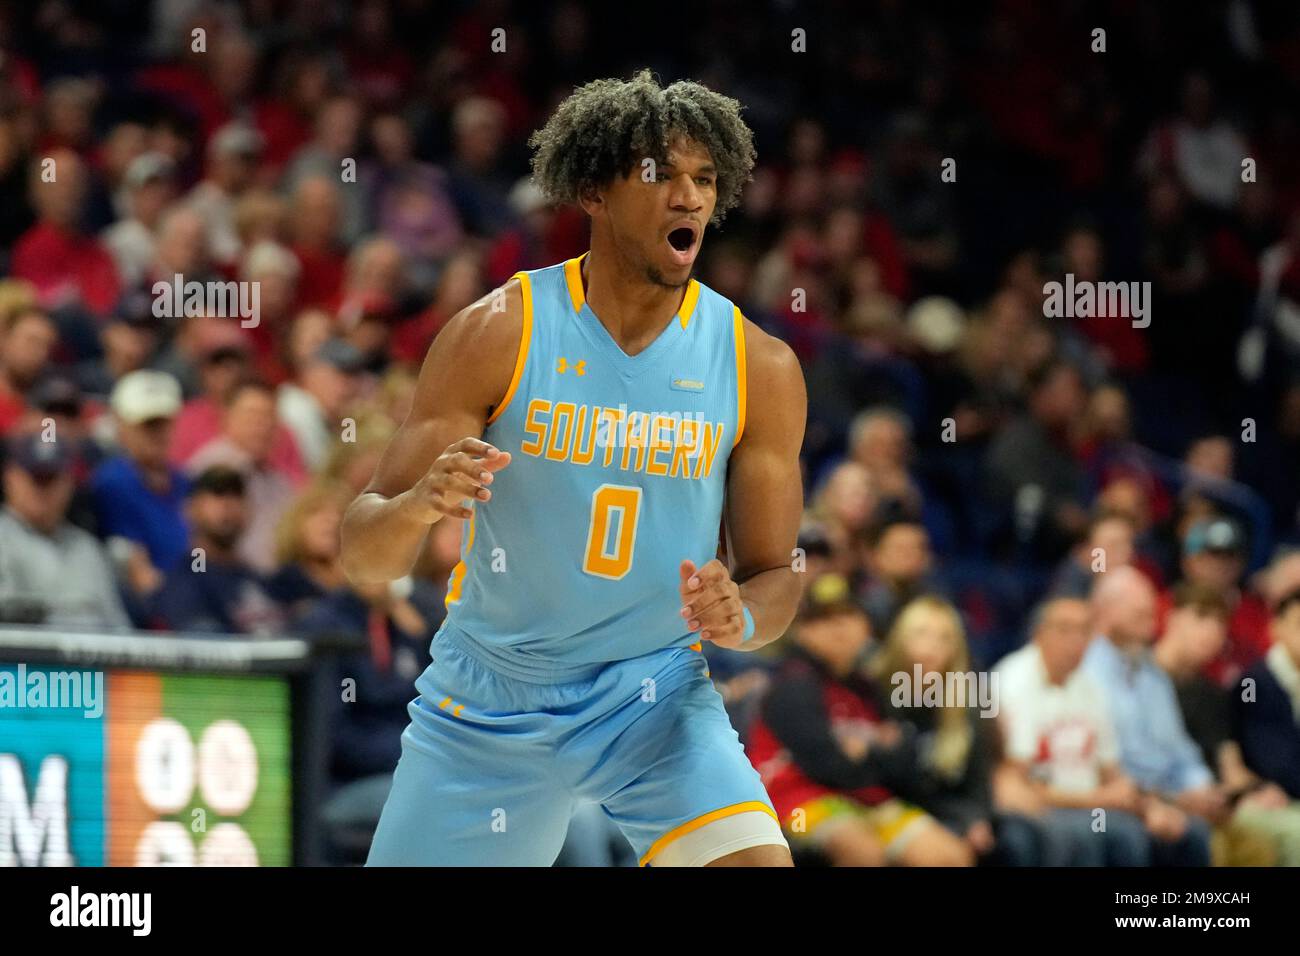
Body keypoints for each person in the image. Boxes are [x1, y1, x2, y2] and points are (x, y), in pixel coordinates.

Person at [345, 71, 807, 867]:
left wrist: (745, 617)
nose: (691, 197)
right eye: (664, 175)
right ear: (594, 189)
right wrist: (421, 504)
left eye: (705, 179)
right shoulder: (498, 331)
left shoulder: (757, 365)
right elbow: (362, 554)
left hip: (654, 697)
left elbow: (776, 574)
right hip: (491, 698)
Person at [746, 574, 970, 865]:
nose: (838, 627)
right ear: (801, 629)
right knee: (863, 851)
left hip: (863, 798)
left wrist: (866, 753)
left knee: (949, 855)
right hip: (797, 800)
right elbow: (826, 764)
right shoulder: (792, 683)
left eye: (849, 615)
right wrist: (877, 751)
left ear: (866, 627)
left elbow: (905, 758)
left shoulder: (868, 686)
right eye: (823, 619)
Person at [873, 595, 1039, 865]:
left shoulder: (965, 701)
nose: (931, 648)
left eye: (944, 638)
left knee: (1022, 837)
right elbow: (897, 783)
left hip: (951, 808)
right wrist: (964, 818)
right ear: (900, 639)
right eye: (921, 635)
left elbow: (978, 777)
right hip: (899, 807)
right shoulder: (877, 692)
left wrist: (977, 819)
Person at [996, 597, 1161, 866]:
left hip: (1089, 803)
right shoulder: (1013, 681)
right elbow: (1017, 784)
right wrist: (1096, 799)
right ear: (1038, 634)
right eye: (1064, 629)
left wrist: (1146, 805)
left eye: (1084, 631)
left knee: (1132, 833)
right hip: (1048, 805)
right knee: (1083, 834)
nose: (1075, 641)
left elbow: (1111, 770)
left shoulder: (1091, 687)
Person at [1156, 583, 1300, 865]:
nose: (1211, 631)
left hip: (1215, 798)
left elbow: (1229, 763)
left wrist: (1253, 790)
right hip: (1162, 795)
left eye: (1220, 623)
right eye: (1201, 617)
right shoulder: (1140, 679)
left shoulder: (1213, 694)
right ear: (1171, 617)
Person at [1082, 567, 1215, 865]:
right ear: (1105, 613)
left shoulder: (1154, 675)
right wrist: (1148, 803)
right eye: (1138, 615)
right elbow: (1099, 763)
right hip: (1116, 797)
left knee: (1199, 829)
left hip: (1169, 795)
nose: (1150, 624)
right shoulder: (1085, 673)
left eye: (1151, 614)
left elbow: (1179, 747)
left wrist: (1200, 786)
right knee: (1132, 837)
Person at [0, 433, 130, 630]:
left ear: (69, 482)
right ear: (10, 478)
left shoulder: (88, 548)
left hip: (92, 658)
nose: (43, 489)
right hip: (23, 660)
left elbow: (120, 632)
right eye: (35, 478)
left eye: (51, 478)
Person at [150, 465, 287, 636]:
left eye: (237, 494)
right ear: (190, 509)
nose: (228, 503)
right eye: (217, 494)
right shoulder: (194, 571)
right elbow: (201, 635)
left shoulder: (253, 574)